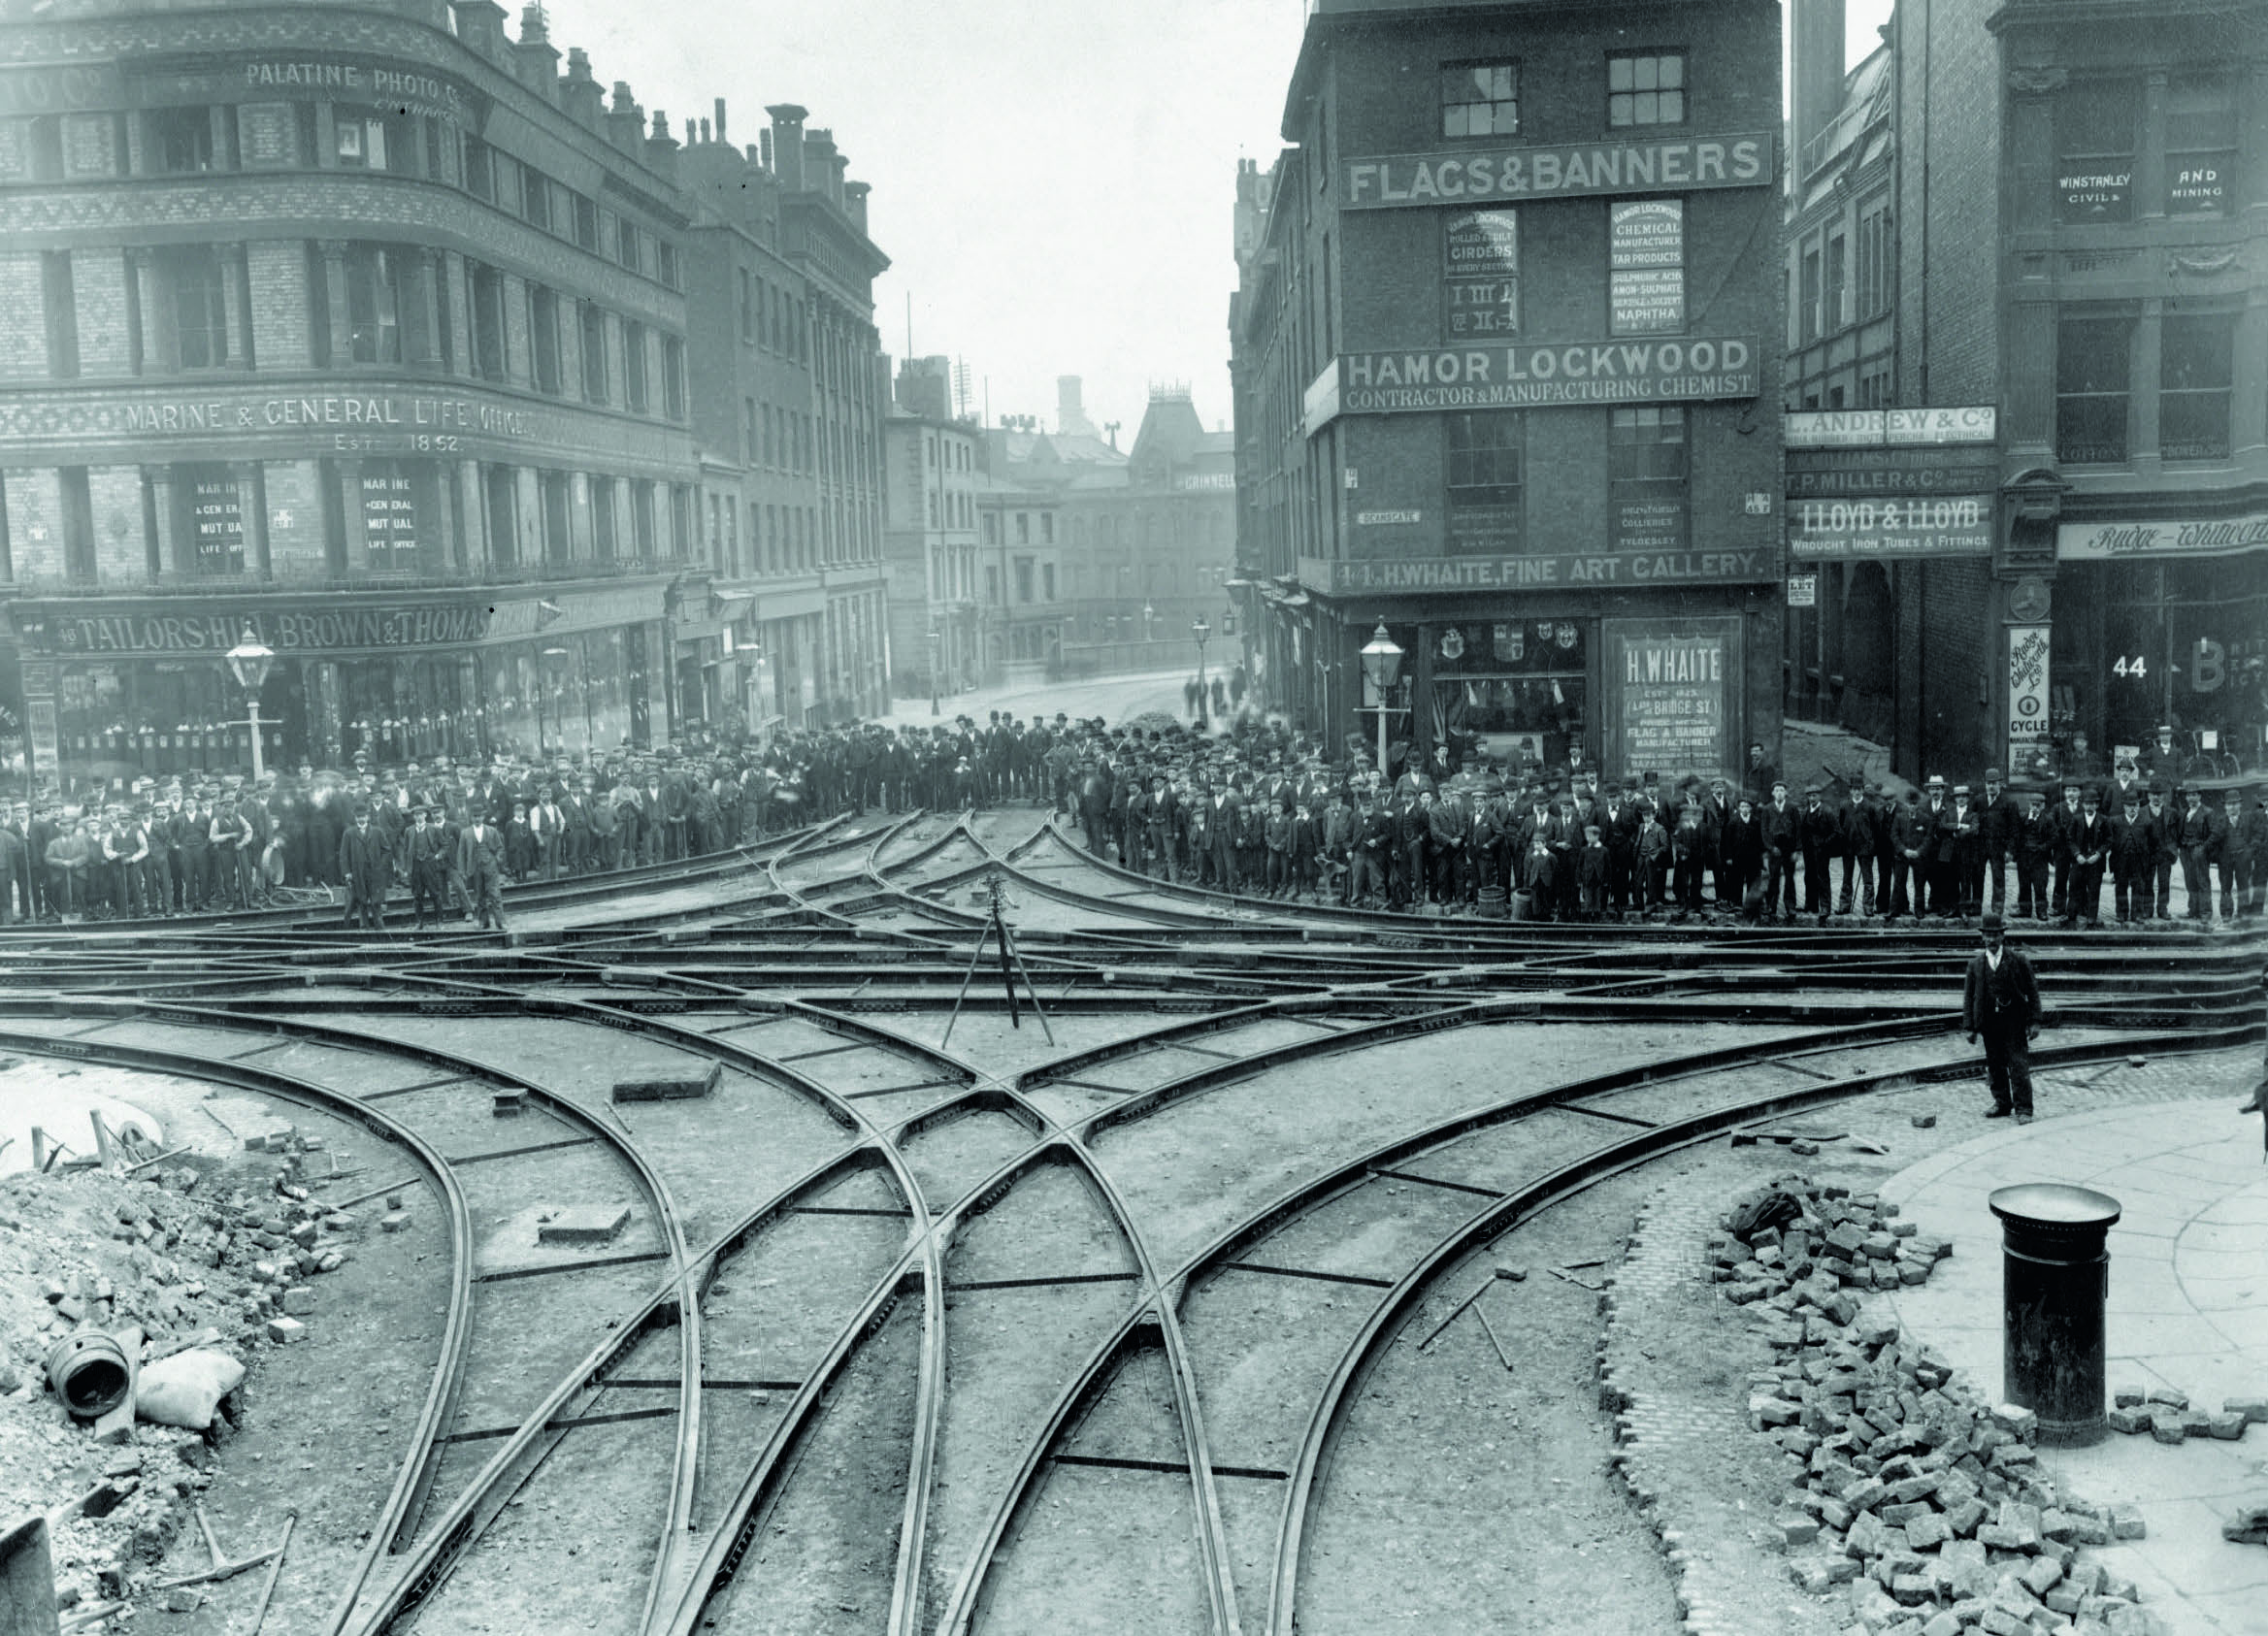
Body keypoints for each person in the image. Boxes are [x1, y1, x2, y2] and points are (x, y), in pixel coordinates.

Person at [1963, 911, 2042, 1123]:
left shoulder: (2018, 960)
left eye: (1995, 935)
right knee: (1995, 1064)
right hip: (1989, 1023)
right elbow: (1969, 997)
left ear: (2002, 936)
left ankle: (2024, 1108)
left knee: (2018, 1065)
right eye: (1987, 935)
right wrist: (1969, 1027)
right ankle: (2002, 1103)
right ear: (1982, 937)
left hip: (2014, 1022)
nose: (1991, 940)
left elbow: (2032, 991)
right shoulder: (1976, 965)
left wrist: (2035, 1021)